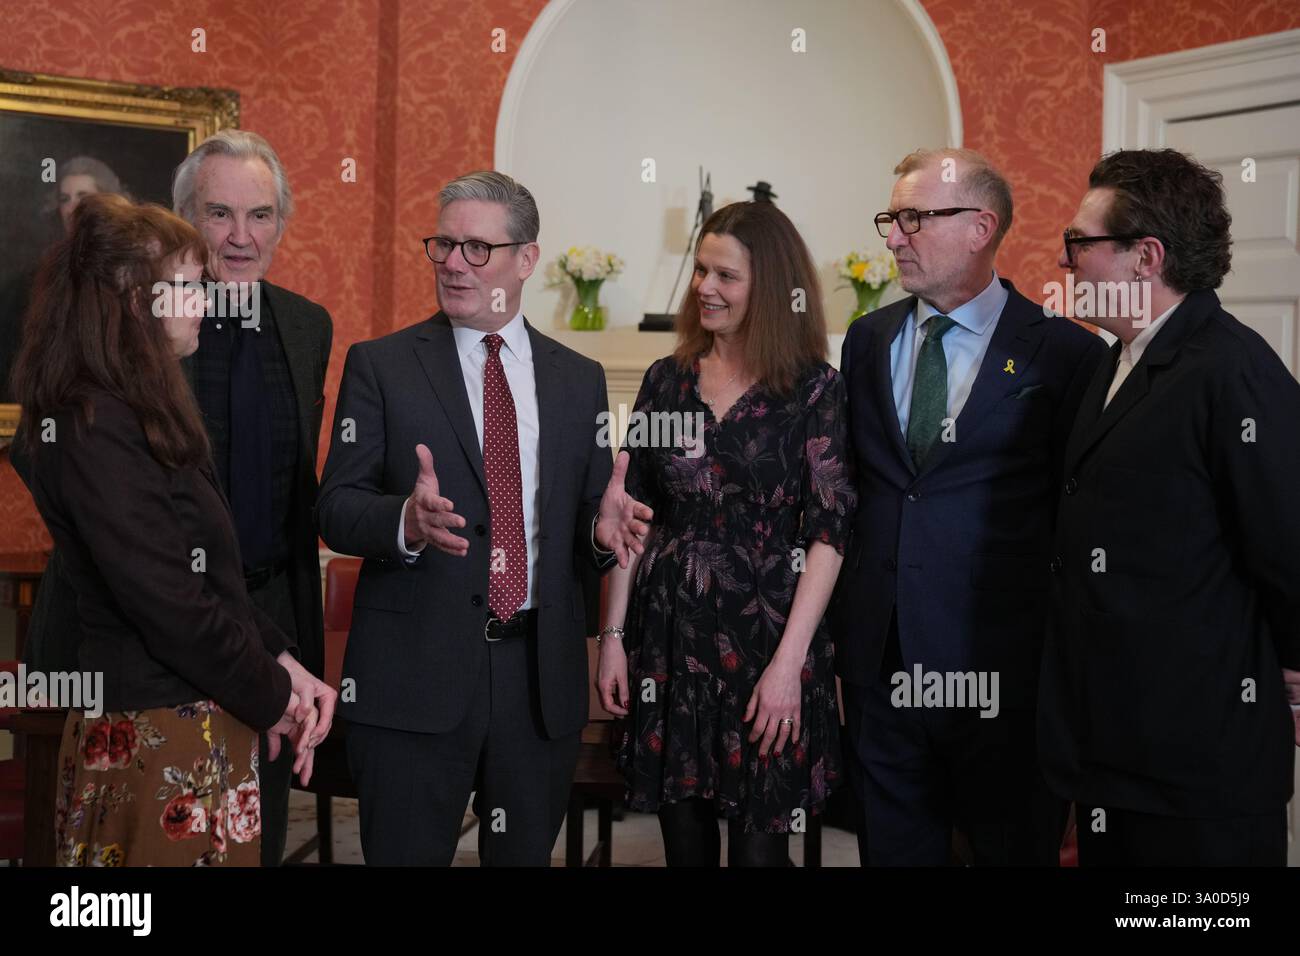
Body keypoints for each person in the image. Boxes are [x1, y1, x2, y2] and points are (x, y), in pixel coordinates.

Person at [316, 170, 648, 866]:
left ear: (526, 259)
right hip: (412, 682)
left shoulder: (577, 379)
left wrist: (601, 531)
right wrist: (405, 520)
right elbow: (336, 510)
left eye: (476, 248)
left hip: (536, 685)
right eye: (443, 245)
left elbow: (588, 519)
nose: (453, 265)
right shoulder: (381, 366)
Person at [10, 193, 333, 866]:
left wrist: (283, 663)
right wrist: (276, 699)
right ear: (135, 300)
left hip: (196, 721)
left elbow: (212, 579)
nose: (205, 303)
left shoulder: (139, 408)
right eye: (187, 287)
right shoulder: (94, 424)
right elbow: (169, 605)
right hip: (150, 734)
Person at [834, 148, 1109, 866]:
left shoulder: (1065, 356)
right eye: (890, 219)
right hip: (883, 665)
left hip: (1005, 675)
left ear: (981, 227)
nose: (894, 236)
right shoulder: (868, 340)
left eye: (913, 218)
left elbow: (1077, 516)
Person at [1039, 148, 1300, 866]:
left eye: (1080, 244)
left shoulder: (1234, 370)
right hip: (1113, 748)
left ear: (1144, 257)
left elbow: (1288, 543)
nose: (1067, 263)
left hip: (1199, 761)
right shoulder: (1112, 360)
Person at [595, 200, 854, 867]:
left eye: (726, 276)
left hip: (772, 641)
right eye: (701, 270)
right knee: (685, 847)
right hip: (672, 637)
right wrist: (614, 640)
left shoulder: (815, 389)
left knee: (759, 854)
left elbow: (829, 533)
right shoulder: (666, 379)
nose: (704, 286)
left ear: (769, 285)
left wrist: (789, 668)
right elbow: (633, 517)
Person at [171, 129, 335, 866]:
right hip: (172, 617)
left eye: (260, 215)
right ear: (185, 219)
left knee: (259, 834)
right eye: (219, 214)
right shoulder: (148, 325)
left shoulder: (307, 327)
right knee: (175, 834)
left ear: (281, 223)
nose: (242, 237)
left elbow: (303, 487)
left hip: (276, 620)